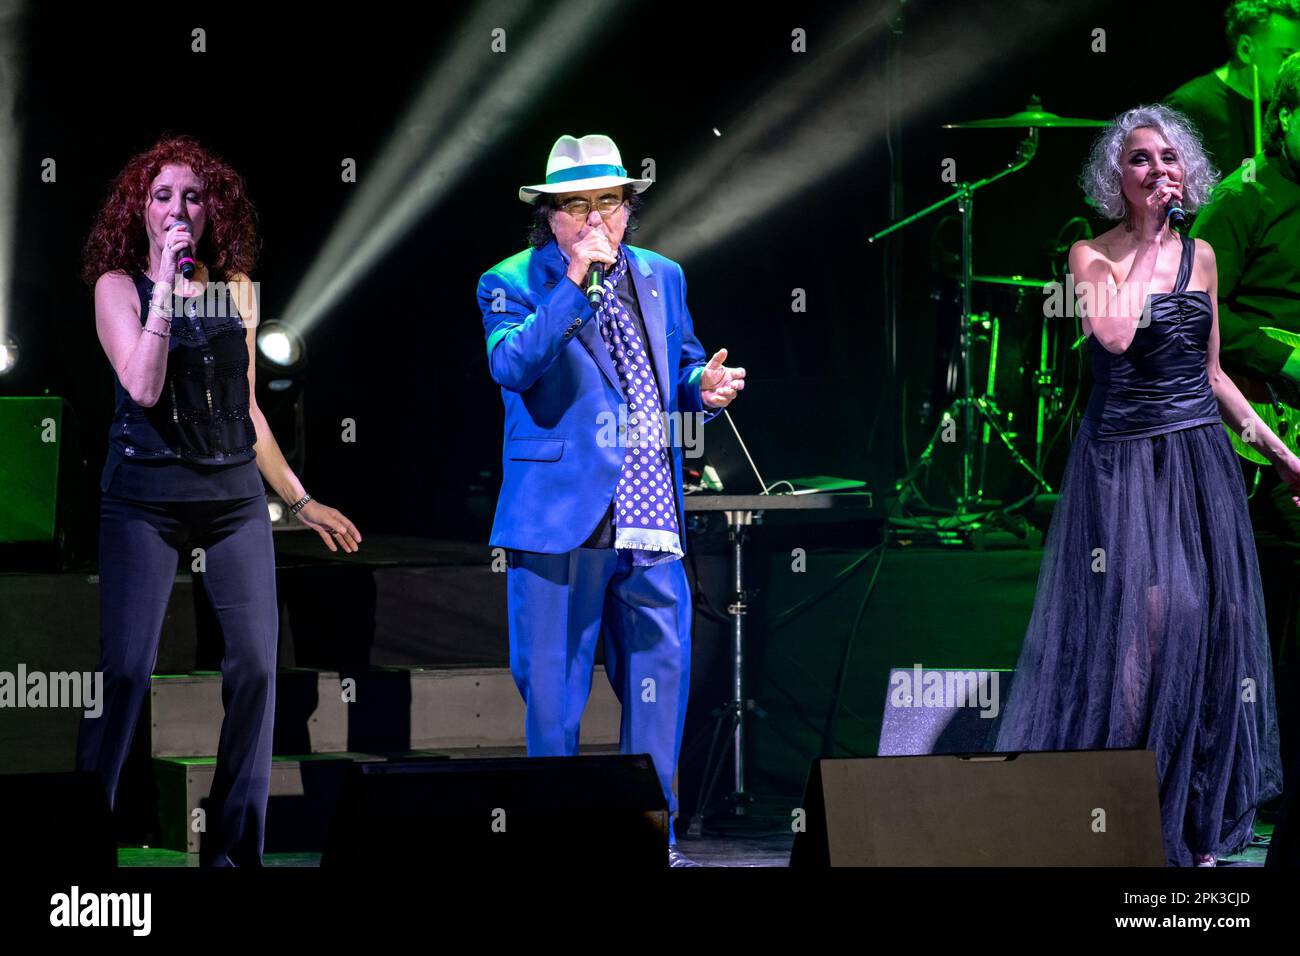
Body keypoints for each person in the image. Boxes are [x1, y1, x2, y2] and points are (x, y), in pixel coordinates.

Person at [993, 106, 1292, 866]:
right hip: (1124, 464)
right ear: (1115, 179)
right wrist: (1152, 246)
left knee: (1208, 627)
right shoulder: (1090, 254)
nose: (1158, 169)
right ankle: (1123, 817)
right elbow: (1118, 334)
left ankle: (1192, 818)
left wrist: (1284, 456)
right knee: (1142, 630)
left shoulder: (1206, 258)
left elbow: (1215, 374)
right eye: (1139, 160)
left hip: (1198, 463)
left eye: (1168, 158)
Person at [77, 134, 361, 866]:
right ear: (140, 210)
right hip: (144, 494)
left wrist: (299, 500)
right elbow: (141, 385)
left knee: (259, 668)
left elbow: (250, 413)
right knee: (126, 673)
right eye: (163, 196)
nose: (178, 209)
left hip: (232, 494)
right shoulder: (117, 286)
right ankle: (78, 841)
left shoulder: (238, 287)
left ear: (213, 210)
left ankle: (235, 851)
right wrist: (167, 293)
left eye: (192, 197)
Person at [476, 134, 744, 866]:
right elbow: (513, 364)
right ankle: (557, 844)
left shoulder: (664, 275)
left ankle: (648, 839)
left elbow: (680, 368)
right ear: (551, 216)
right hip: (564, 518)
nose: (596, 220)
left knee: (661, 679)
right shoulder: (511, 280)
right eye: (576, 206)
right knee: (555, 699)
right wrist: (573, 284)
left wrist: (702, 391)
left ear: (629, 207)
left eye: (609, 203)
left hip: (652, 510)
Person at [1190, 52, 1300, 864]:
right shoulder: (1244, 198)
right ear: (1286, 115)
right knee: (1259, 616)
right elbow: (1197, 315)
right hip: (1257, 433)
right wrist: (1284, 355)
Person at [1165, 0, 1300, 175]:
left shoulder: (1289, 106)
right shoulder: (1188, 106)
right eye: (1286, 54)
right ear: (1245, 49)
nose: (1295, 67)